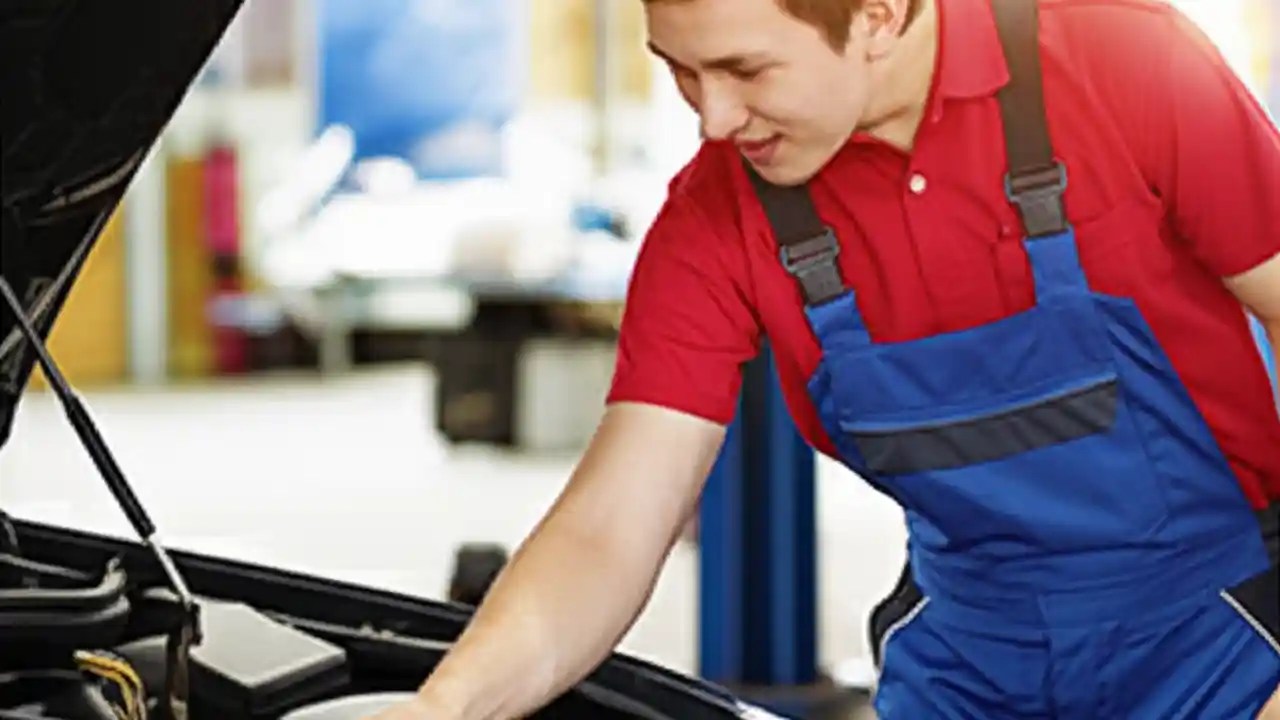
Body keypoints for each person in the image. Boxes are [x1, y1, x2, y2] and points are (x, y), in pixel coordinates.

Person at [368, 0, 1280, 716]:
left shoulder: (1124, 65)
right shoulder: (717, 216)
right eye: (680, 72)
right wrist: (443, 707)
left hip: (1224, 633)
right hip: (968, 658)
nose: (715, 120)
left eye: (744, 69)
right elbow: (613, 524)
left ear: (880, 14)